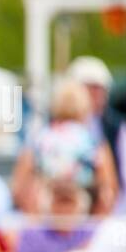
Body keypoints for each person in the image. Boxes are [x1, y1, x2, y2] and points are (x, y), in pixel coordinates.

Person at [12, 80, 117, 215]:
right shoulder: (93, 142)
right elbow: (108, 189)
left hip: (46, 216)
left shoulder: (39, 139)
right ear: (85, 106)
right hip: (83, 217)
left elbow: (19, 187)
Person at [67, 56, 126, 214]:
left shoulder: (117, 127)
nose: (97, 95)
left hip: (111, 217)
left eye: (100, 89)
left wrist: (111, 218)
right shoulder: (53, 129)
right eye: (90, 88)